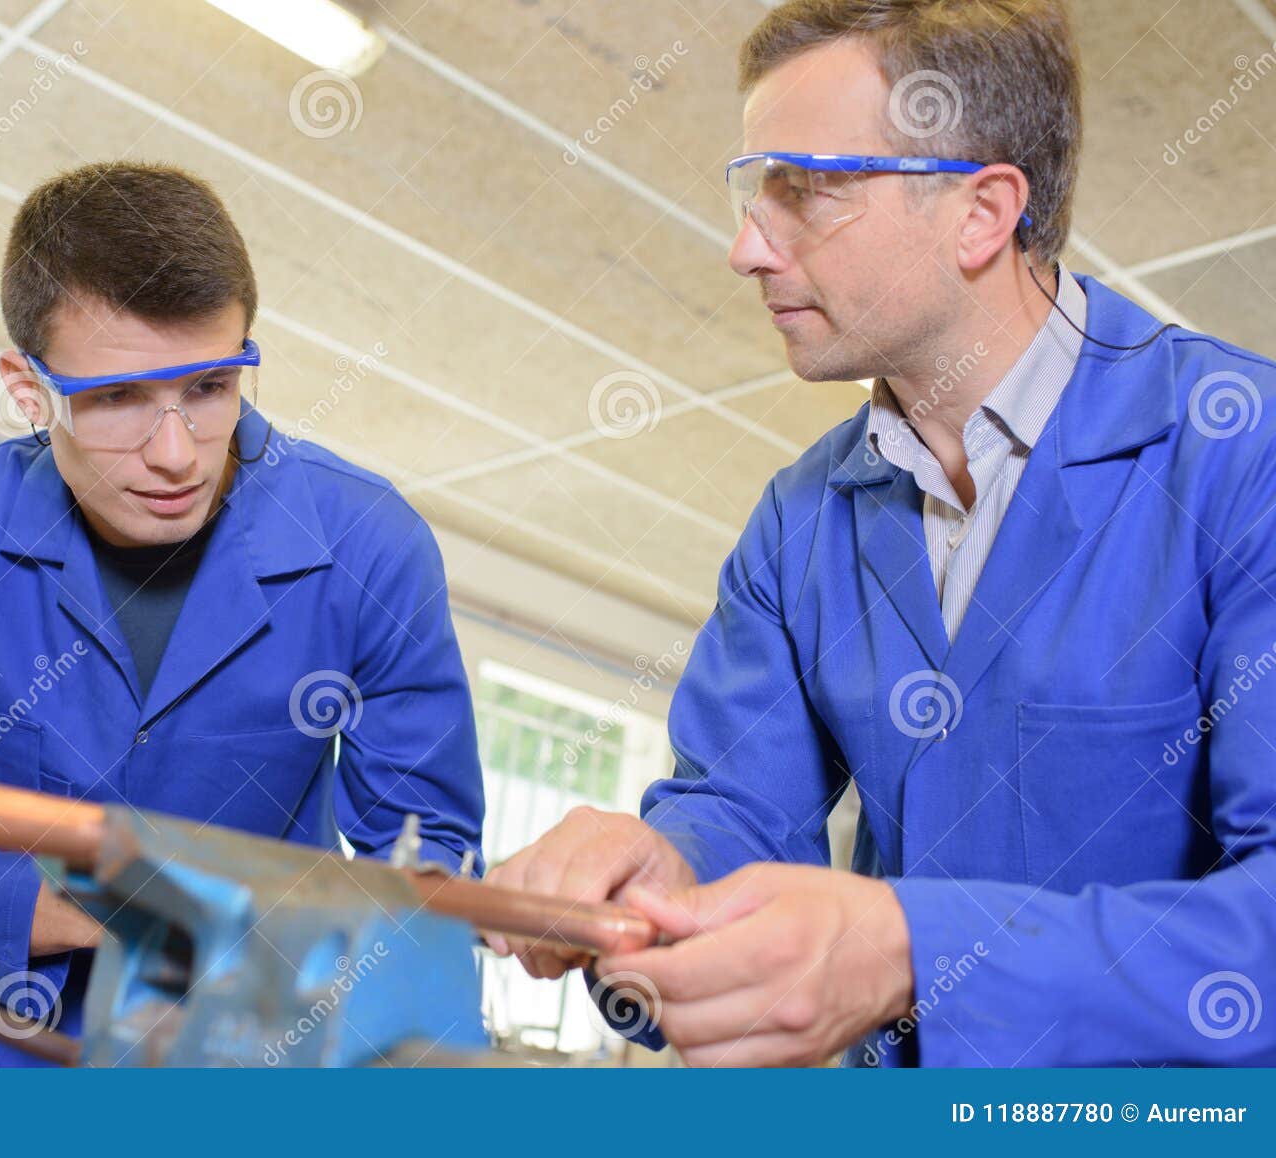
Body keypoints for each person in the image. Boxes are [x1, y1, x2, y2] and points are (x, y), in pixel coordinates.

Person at [490, 0, 1276, 1067]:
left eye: (806, 190)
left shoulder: (1240, 454)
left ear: (980, 212)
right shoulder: (798, 519)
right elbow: (739, 811)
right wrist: (658, 867)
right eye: (749, 191)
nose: (744, 248)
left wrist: (916, 950)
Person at [0, 161, 484, 1066]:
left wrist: (404, 945)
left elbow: (426, 848)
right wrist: (133, 926)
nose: (176, 455)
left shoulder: (370, 544)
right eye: (115, 399)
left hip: (247, 1055)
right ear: (27, 390)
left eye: (210, 388)